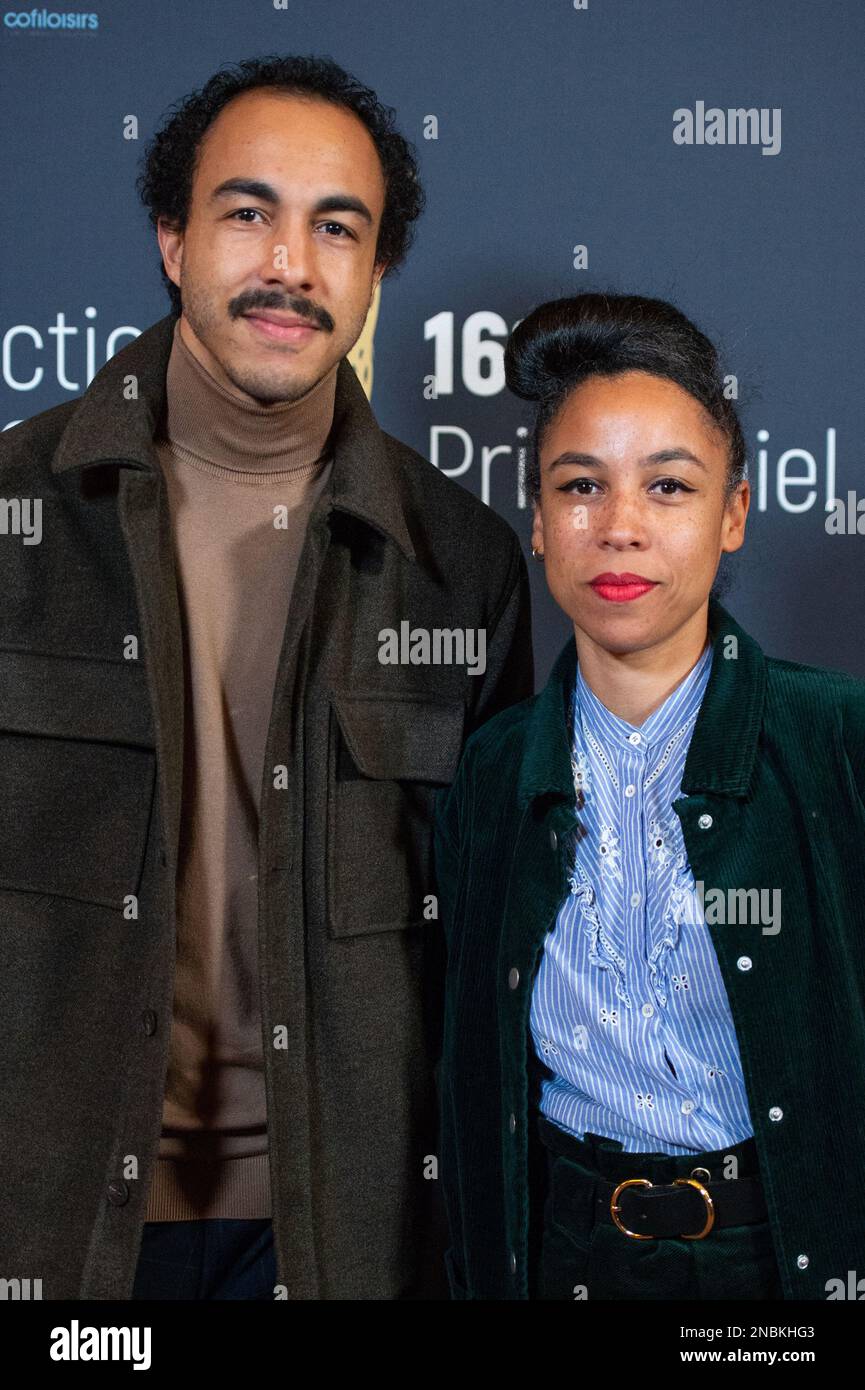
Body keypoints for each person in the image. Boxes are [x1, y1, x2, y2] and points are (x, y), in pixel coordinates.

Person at [0, 55, 532, 1301]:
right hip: (55, 1233)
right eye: (248, 212)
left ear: (375, 272)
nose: (291, 262)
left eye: (335, 226)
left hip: (345, 1241)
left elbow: (499, 954)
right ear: (174, 239)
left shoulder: (461, 566)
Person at [434, 292, 865, 1301]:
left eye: (668, 487)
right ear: (536, 522)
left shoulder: (835, 740)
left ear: (733, 512)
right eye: (580, 486)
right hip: (565, 1250)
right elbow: (468, 1082)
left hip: (780, 1256)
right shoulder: (495, 772)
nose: (619, 527)